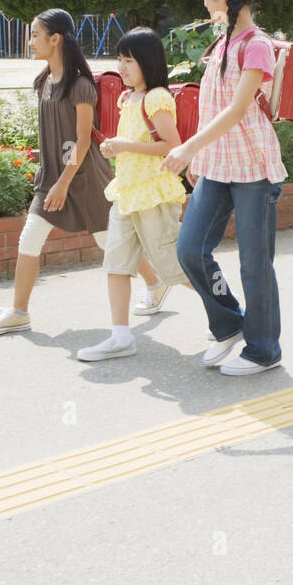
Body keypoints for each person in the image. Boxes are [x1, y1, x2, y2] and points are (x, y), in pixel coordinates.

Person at [0, 9, 160, 336]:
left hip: (85, 179)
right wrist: (53, 179)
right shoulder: (45, 80)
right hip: (53, 178)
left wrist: (63, 183)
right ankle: (19, 311)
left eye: (35, 35)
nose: (30, 42)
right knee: (30, 238)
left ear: (55, 39)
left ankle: (155, 281)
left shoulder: (80, 85)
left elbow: (83, 139)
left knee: (108, 242)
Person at [163, 0, 287, 376]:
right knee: (189, 249)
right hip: (217, 167)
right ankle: (229, 321)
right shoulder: (220, 44)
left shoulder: (255, 45)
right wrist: (199, 157)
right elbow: (209, 106)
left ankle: (264, 348)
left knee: (255, 263)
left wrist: (187, 149)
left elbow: (236, 111)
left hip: (253, 168)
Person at [77, 28, 193, 361]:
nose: (122, 67)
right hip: (127, 194)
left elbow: (173, 147)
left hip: (154, 195)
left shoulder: (157, 97)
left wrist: (125, 145)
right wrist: (117, 149)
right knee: (116, 264)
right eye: (120, 60)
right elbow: (137, 143)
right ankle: (120, 337)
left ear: (148, 62)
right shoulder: (127, 98)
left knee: (172, 268)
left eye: (129, 61)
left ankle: (228, 311)